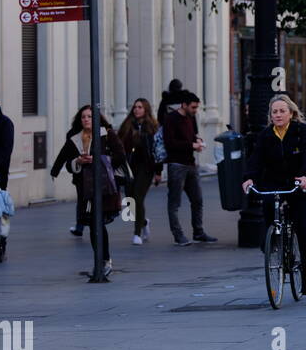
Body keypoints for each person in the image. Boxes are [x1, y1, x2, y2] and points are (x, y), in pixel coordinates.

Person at [242, 93, 306, 295]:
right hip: (275, 183)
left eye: (282, 111)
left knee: (302, 226)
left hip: (299, 185)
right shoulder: (267, 135)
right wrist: (249, 177)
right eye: (274, 111)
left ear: (291, 113)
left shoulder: (302, 132)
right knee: (268, 205)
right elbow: (256, 159)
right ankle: (271, 242)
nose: (278, 115)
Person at [51, 105, 124, 278]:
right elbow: (65, 161)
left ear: (96, 118)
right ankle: (101, 260)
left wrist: (97, 159)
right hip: (84, 189)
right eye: (83, 117)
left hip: (104, 188)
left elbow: (120, 156)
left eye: (90, 116)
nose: (86, 119)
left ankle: (104, 261)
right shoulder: (74, 138)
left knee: (98, 223)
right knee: (92, 224)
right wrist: (77, 161)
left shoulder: (106, 134)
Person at [162, 91, 216, 245]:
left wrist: (197, 140)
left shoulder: (191, 118)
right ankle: (178, 235)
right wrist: (191, 145)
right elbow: (170, 143)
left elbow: (191, 136)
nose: (195, 110)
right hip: (177, 165)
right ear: (184, 105)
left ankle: (198, 232)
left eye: (197, 107)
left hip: (191, 164)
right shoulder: (171, 119)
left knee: (197, 199)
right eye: (193, 107)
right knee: (174, 203)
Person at [118, 99, 162, 244]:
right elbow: (119, 144)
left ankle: (137, 234)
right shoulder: (127, 125)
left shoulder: (152, 127)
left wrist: (158, 172)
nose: (136, 110)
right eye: (135, 107)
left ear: (146, 110)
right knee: (129, 199)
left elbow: (158, 150)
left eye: (140, 107)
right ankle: (143, 222)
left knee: (137, 197)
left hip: (146, 167)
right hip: (130, 167)